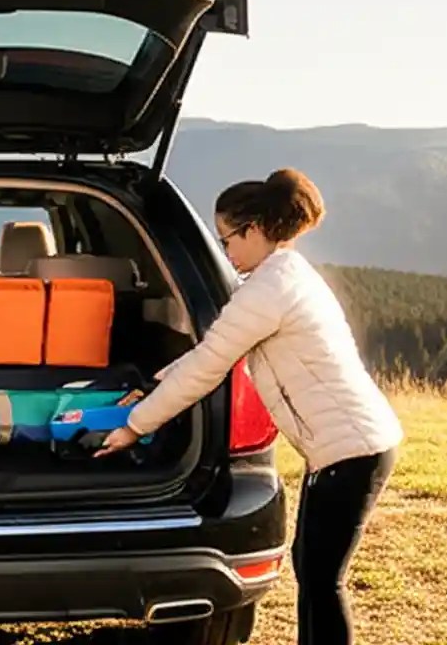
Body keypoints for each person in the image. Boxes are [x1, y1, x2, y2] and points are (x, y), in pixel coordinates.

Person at [96, 167, 404, 645]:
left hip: (352, 450)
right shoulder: (283, 275)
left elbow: (208, 366)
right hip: (346, 448)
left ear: (256, 230)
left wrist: (135, 426)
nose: (226, 252)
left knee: (323, 578)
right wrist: (154, 384)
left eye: (228, 240)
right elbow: (208, 355)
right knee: (315, 571)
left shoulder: (269, 290)